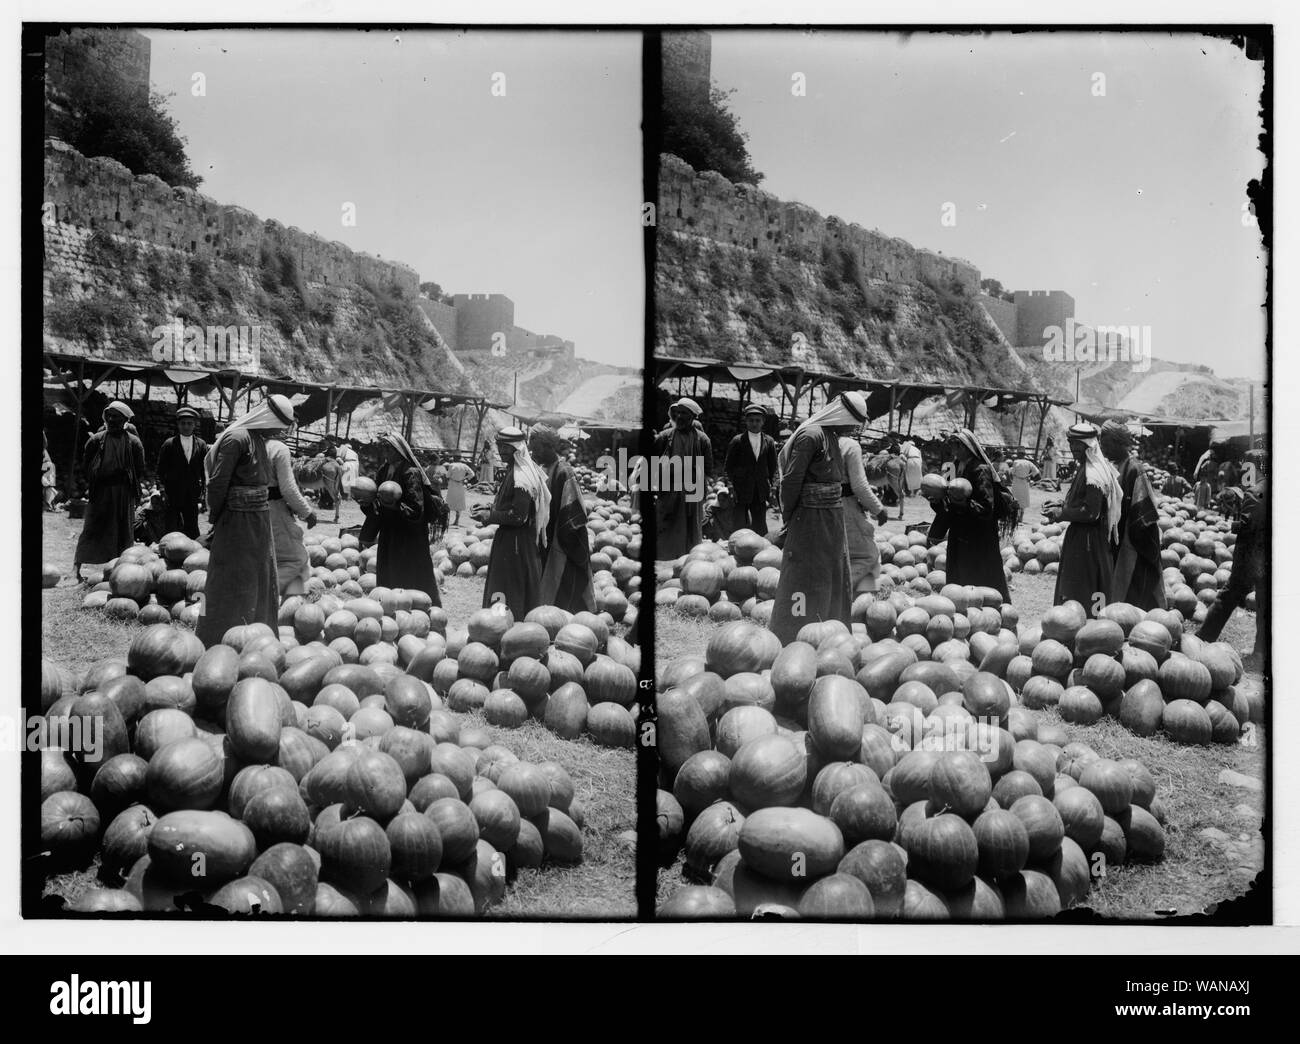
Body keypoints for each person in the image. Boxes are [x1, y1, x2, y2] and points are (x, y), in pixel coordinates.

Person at [768, 392, 866, 645]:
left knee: (830, 574)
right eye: (854, 422)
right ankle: (795, 633)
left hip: (831, 519)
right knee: (807, 576)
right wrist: (790, 517)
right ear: (842, 415)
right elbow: (790, 481)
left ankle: (830, 631)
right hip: (810, 519)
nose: (854, 429)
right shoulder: (811, 435)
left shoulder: (832, 436)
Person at [196, 395, 288, 647]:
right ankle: (216, 637)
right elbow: (217, 483)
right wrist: (215, 517)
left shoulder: (258, 439)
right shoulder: (237, 438)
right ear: (269, 419)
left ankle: (256, 634)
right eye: (280, 426)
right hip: (237, 522)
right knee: (231, 578)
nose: (281, 432)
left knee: (258, 577)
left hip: (258, 522)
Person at [359, 433, 444, 605]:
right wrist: (365, 500)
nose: (386, 451)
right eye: (384, 448)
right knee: (388, 567)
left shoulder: (410, 472)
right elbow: (377, 500)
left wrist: (393, 506)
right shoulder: (384, 470)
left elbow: (416, 508)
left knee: (408, 571)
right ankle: (390, 605)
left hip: (409, 534)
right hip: (390, 530)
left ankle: (415, 606)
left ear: (399, 450)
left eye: (389, 448)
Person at [927, 429, 1009, 602]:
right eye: (953, 446)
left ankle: (988, 607)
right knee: (959, 573)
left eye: (958, 446)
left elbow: (987, 508)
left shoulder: (981, 470)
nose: (954, 450)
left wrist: (964, 503)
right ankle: (961, 605)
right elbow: (949, 502)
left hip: (979, 535)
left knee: (980, 576)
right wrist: (936, 499)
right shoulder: (954, 467)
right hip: (960, 532)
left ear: (968, 447)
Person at [1046, 423, 1121, 611]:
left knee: (1085, 585)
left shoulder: (1093, 472)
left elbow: (1091, 512)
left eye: (1077, 445)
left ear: (1089, 445)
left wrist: (1062, 514)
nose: (1073, 449)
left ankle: (1089, 623)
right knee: (1083, 584)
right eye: (1071, 444)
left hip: (1089, 540)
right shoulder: (1085, 467)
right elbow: (1082, 503)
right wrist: (1061, 505)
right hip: (1083, 537)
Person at [73, 401, 146, 581]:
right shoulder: (96, 440)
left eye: (117, 417)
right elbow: (86, 465)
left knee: (122, 530)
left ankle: (119, 572)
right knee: (91, 528)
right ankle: (76, 568)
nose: (112, 420)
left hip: (123, 493)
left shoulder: (134, 443)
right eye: (110, 416)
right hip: (101, 491)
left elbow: (140, 468)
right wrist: (96, 478)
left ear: (125, 420)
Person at [482, 427, 550, 614]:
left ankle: (507, 627)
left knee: (508, 588)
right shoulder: (515, 470)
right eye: (499, 447)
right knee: (509, 587)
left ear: (517, 449)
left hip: (516, 544)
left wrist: (491, 516)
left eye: (506, 447)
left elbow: (518, 517)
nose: (501, 452)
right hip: (515, 542)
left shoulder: (521, 477)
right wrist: (490, 508)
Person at [1198, 476, 1265, 664]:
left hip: (1252, 556)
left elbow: (1248, 526)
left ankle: (1204, 637)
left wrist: (1234, 525)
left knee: (1228, 594)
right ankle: (1260, 651)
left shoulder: (1255, 492)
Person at [1100, 421, 1167, 610]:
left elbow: (1144, 509)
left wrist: (1135, 536)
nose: (1103, 449)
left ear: (1119, 443)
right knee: (1120, 584)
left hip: (1133, 539)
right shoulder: (1115, 466)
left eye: (1106, 445)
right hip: (1117, 538)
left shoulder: (1134, 469)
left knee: (1137, 584)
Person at [529, 425, 595, 614]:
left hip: (562, 539)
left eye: (536, 448)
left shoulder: (564, 472)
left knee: (566, 583)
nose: (533, 452)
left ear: (548, 446)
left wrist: (563, 538)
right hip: (545, 538)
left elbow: (574, 511)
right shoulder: (544, 469)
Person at [653, 398, 713, 559]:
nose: (679, 416)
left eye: (684, 413)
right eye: (677, 413)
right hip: (669, 487)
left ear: (692, 416)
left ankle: (689, 556)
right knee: (667, 521)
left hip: (692, 488)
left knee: (691, 523)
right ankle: (664, 556)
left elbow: (708, 468)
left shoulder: (703, 440)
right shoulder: (664, 437)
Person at [266, 436, 319, 596]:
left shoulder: (250, 443)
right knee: (295, 559)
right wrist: (307, 512)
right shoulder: (278, 448)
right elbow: (288, 489)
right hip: (273, 507)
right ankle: (270, 595)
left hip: (250, 508)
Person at [840, 435, 888, 594]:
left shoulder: (819, 439)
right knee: (868, 555)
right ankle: (849, 596)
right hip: (845, 505)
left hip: (820, 506)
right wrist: (879, 509)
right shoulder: (850, 445)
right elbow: (860, 486)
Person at [724, 404, 778, 537]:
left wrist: (773, 487)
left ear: (763, 422)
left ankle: (760, 551)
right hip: (741, 489)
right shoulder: (737, 441)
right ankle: (736, 548)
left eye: (758, 420)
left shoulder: (769, 442)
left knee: (759, 524)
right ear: (746, 421)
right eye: (751, 420)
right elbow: (728, 467)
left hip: (760, 489)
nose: (754, 423)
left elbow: (774, 467)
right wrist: (731, 487)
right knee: (739, 524)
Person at [156, 405, 208, 538]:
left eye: (189, 423)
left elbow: (205, 470)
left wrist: (204, 492)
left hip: (192, 492)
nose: (186, 426)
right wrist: (162, 490)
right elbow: (160, 470)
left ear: (194, 425)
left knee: (192, 525)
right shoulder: (169, 444)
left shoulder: (201, 445)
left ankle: (192, 554)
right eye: (183, 423)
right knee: (171, 526)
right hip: (173, 492)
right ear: (178, 424)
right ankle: (169, 551)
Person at [444, 457, 475, 528]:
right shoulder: (464, 466)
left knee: (449, 502)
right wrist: (465, 478)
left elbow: (447, 475)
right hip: (460, 485)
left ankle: (446, 521)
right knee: (459, 503)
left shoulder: (451, 465)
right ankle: (456, 521)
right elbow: (472, 474)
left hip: (452, 484)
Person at [883, 441, 907, 519]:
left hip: (890, 475)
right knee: (900, 490)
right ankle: (901, 512)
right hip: (903, 469)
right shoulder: (902, 457)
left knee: (897, 491)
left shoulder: (889, 457)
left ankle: (889, 501)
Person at [41, 432, 58, 511]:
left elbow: (45, 444)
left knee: (48, 485)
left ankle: (49, 504)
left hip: (46, 462)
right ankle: (49, 504)